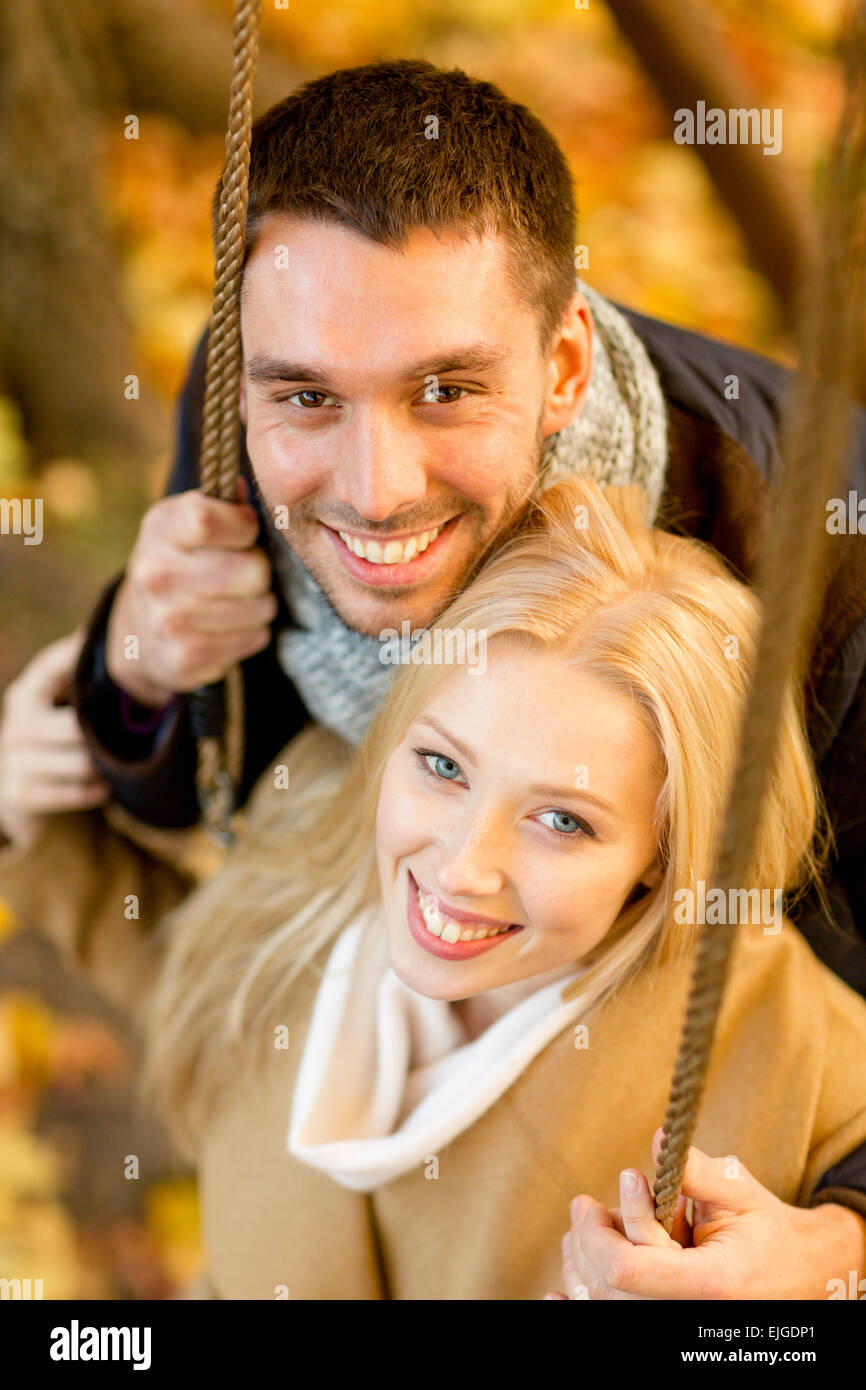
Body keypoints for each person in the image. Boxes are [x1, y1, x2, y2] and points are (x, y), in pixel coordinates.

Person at [64, 59, 866, 1004]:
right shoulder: (247, 377)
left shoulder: (822, 554)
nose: (373, 492)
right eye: (311, 397)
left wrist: (794, 1156)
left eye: (445, 392)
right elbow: (217, 768)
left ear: (564, 366)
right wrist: (140, 673)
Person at [3, 474, 865, 1299]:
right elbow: (195, 971)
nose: (459, 867)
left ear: (667, 850)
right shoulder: (313, 828)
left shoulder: (796, 1051)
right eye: (443, 765)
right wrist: (26, 807)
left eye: (563, 820)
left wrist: (825, 1281)